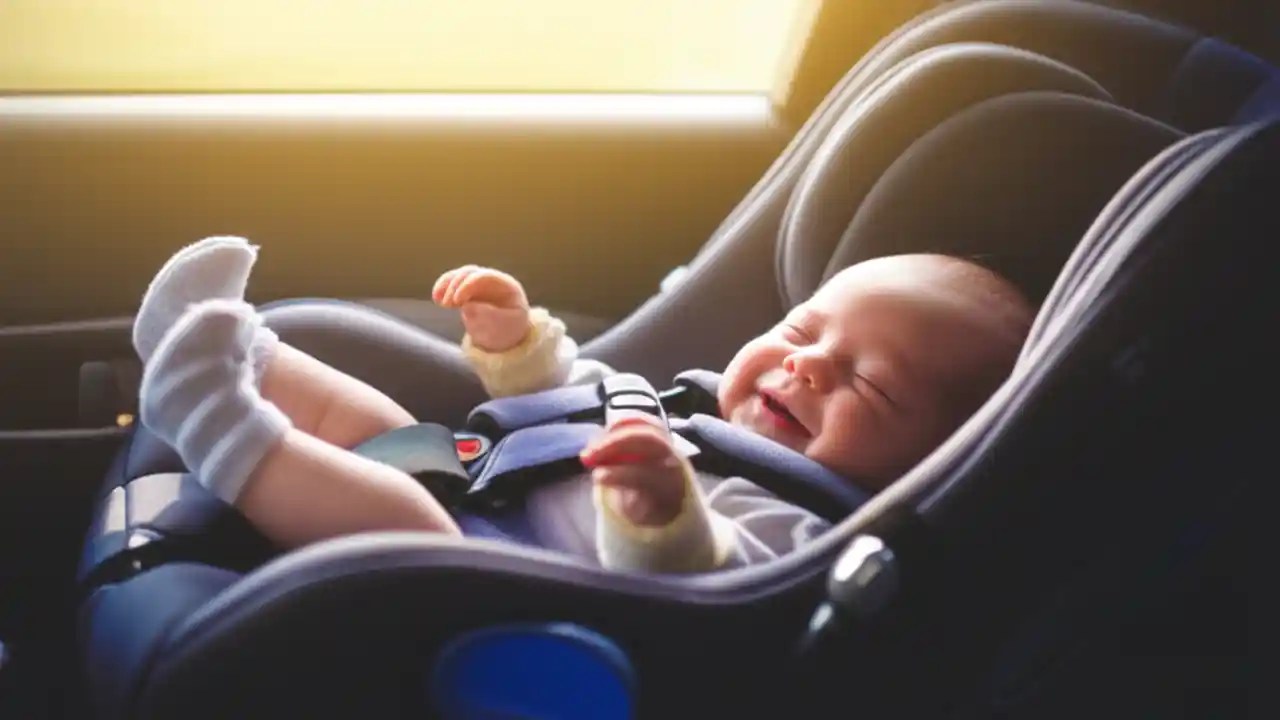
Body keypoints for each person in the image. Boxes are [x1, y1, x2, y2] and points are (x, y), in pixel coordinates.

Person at [134, 236, 1032, 573]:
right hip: (476, 479)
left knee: (401, 516)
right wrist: (513, 341)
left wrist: (661, 512)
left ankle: (216, 420)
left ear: (934, 462)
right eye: (802, 333)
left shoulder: (811, 528)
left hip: (490, 573)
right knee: (379, 427)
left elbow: (711, 580)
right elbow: (572, 401)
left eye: (870, 383)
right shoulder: (694, 404)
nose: (806, 370)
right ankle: (245, 354)